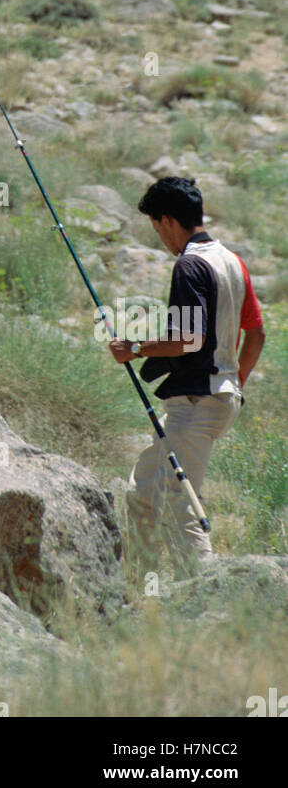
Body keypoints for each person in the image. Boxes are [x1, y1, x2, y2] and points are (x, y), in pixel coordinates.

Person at [109, 176, 265, 570]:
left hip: (197, 404)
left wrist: (135, 349)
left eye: (157, 228)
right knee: (142, 493)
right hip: (217, 400)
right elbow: (257, 335)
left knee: (181, 504)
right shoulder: (232, 261)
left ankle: (205, 593)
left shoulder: (190, 265)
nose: (161, 238)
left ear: (167, 220)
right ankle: (142, 586)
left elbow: (188, 339)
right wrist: (232, 384)